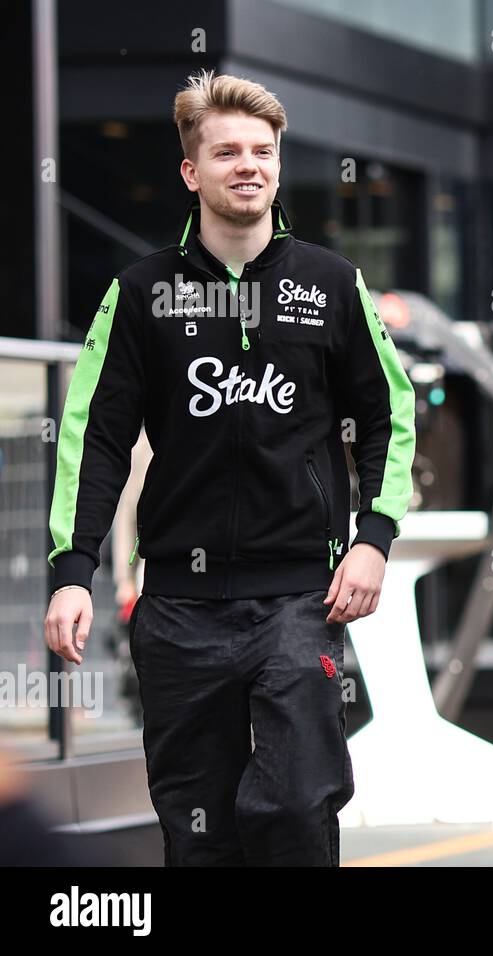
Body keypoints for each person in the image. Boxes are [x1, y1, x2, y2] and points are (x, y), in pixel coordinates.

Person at [43, 71, 416, 866]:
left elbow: (391, 415)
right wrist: (73, 570)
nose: (248, 165)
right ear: (192, 172)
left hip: (298, 598)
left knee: (292, 806)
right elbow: (94, 437)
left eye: (263, 151)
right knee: (197, 826)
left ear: (278, 165)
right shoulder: (141, 293)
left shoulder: (330, 283)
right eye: (227, 152)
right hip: (178, 604)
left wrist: (374, 537)